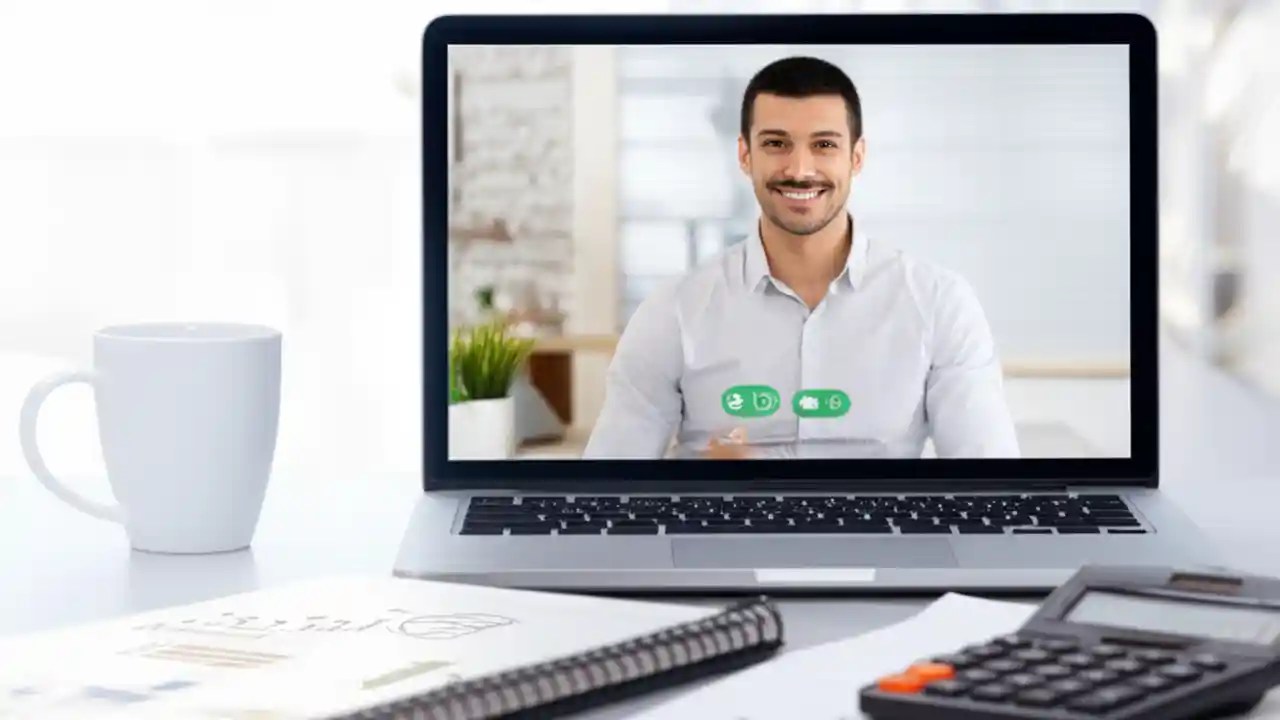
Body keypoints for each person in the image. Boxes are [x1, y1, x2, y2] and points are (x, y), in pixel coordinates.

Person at [584, 56, 1019, 460]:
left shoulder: (939, 301)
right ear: (744, 155)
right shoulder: (672, 311)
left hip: (881, 537)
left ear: (857, 157)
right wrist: (702, 482)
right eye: (776, 143)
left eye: (824, 145)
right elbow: (609, 479)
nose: (799, 169)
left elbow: (989, 476)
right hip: (723, 536)